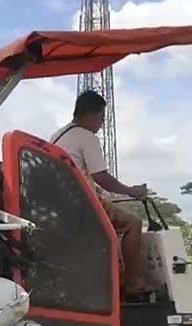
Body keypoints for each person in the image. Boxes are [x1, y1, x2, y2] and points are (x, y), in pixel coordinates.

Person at [50, 89, 152, 300]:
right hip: (82, 205)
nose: (102, 123)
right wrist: (131, 191)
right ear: (90, 115)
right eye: (101, 117)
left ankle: (119, 275)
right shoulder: (87, 137)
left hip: (61, 203)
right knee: (133, 223)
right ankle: (134, 282)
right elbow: (101, 176)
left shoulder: (58, 135)